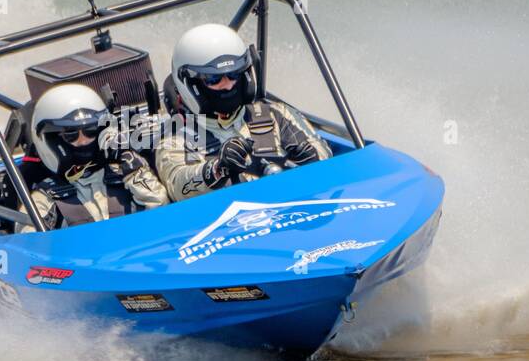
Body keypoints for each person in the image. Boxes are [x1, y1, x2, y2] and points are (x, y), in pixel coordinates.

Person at [156, 23, 330, 201]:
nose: (229, 85)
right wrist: (215, 169)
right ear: (191, 85)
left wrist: (311, 157)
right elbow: (178, 187)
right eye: (214, 79)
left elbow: (327, 159)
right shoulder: (175, 139)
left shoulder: (276, 114)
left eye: (234, 74)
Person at [24, 83, 168, 230]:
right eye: (71, 135)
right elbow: (28, 246)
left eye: (91, 130)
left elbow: (163, 215)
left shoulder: (127, 174)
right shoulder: (43, 199)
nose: (83, 141)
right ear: (51, 140)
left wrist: (135, 171)